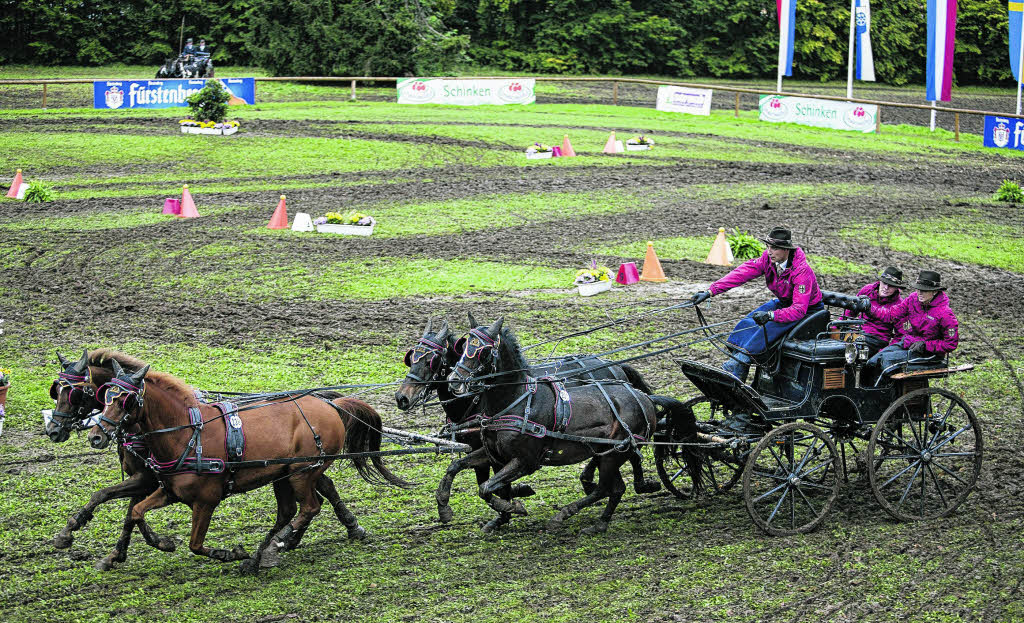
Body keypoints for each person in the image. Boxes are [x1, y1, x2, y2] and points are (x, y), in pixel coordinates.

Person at [691, 227, 823, 385]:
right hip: (784, 304)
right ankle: (738, 366)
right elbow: (742, 272)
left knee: (766, 328)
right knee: (747, 323)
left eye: (774, 248)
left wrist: (771, 315)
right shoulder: (768, 260)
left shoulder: (802, 272)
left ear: (786, 250)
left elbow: (798, 309)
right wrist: (711, 291)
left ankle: (737, 366)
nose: (769, 251)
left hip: (807, 312)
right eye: (768, 247)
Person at [865, 270, 958, 385]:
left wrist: (926, 345)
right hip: (909, 343)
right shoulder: (913, 299)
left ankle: (879, 397)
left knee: (886, 362)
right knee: (873, 361)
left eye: (924, 290)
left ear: (934, 291)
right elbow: (891, 315)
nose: (920, 293)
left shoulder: (945, 314)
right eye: (918, 289)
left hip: (929, 354)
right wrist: (869, 309)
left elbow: (951, 343)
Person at [841, 266, 905, 357]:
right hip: (857, 332)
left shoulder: (899, 305)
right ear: (880, 282)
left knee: (854, 351)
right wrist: (838, 326)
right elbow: (850, 311)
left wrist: (885, 351)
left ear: (896, 288)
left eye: (891, 286)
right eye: (884, 283)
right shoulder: (867, 290)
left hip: (877, 339)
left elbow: (900, 335)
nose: (886, 288)